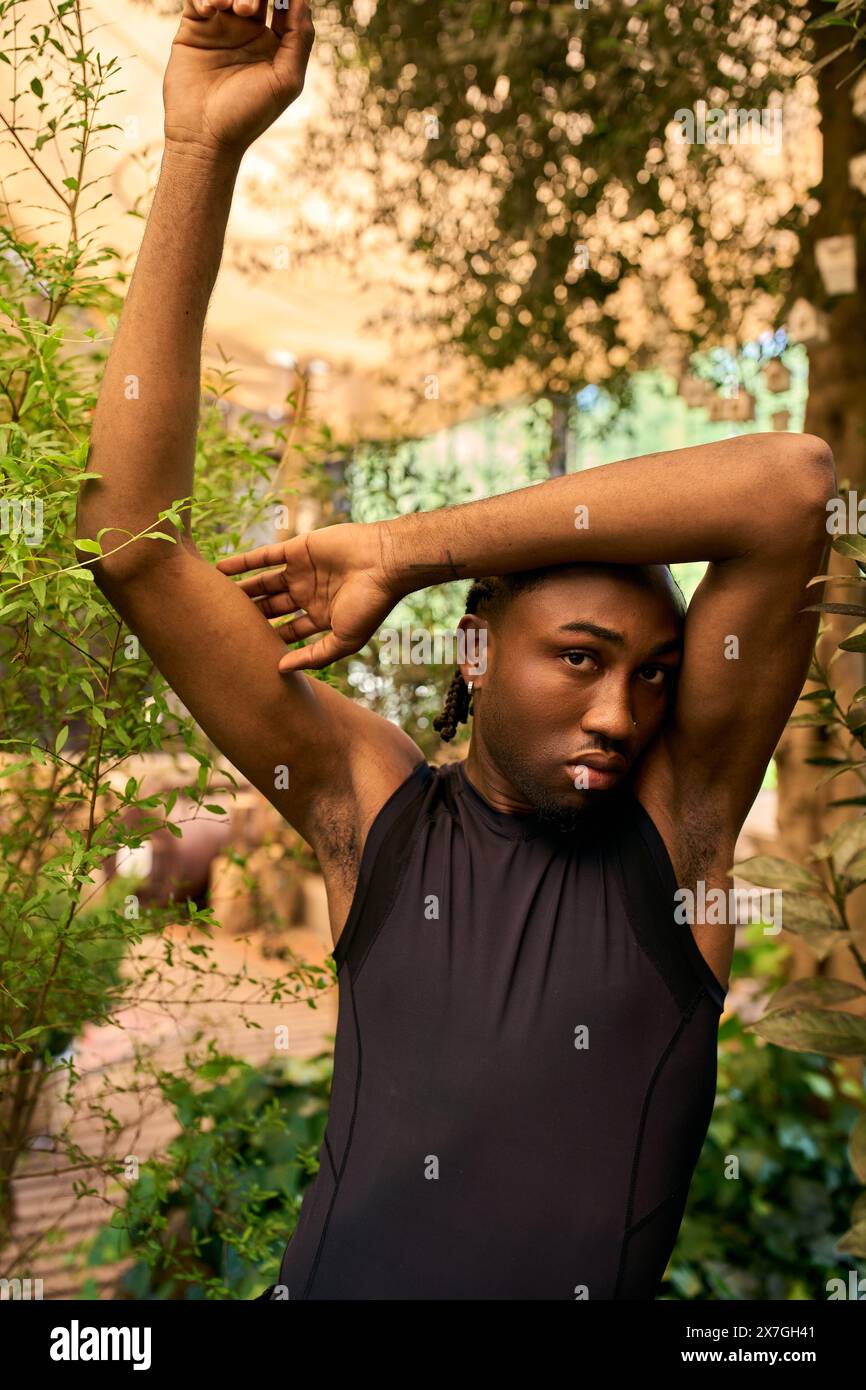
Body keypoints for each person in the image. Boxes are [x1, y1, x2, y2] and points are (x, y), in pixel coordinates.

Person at [76, 0, 836, 1299]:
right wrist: (199, 144)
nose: (621, 711)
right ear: (477, 654)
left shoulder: (682, 828)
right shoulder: (368, 807)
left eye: (654, 673)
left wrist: (404, 547)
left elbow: (788, 482)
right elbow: (130, 542)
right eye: (580, 658)